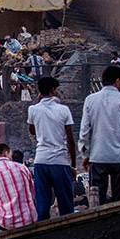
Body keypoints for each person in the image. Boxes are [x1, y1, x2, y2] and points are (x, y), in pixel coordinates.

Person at [79, 65, 120, 205]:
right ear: (117, 81)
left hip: (98, 157)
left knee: (97, 198)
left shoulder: (90, 100)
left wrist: (85, 154)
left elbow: (85, 131)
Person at [27, 76, 76, 221]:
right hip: (60, 161)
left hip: (41, 160)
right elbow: (70, 140)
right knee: (65, 204)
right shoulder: (63, 110)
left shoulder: (33, 109)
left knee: (42, 205)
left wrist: (37, 105)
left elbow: (32, 130)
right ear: (54, 90)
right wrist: (73, 165)